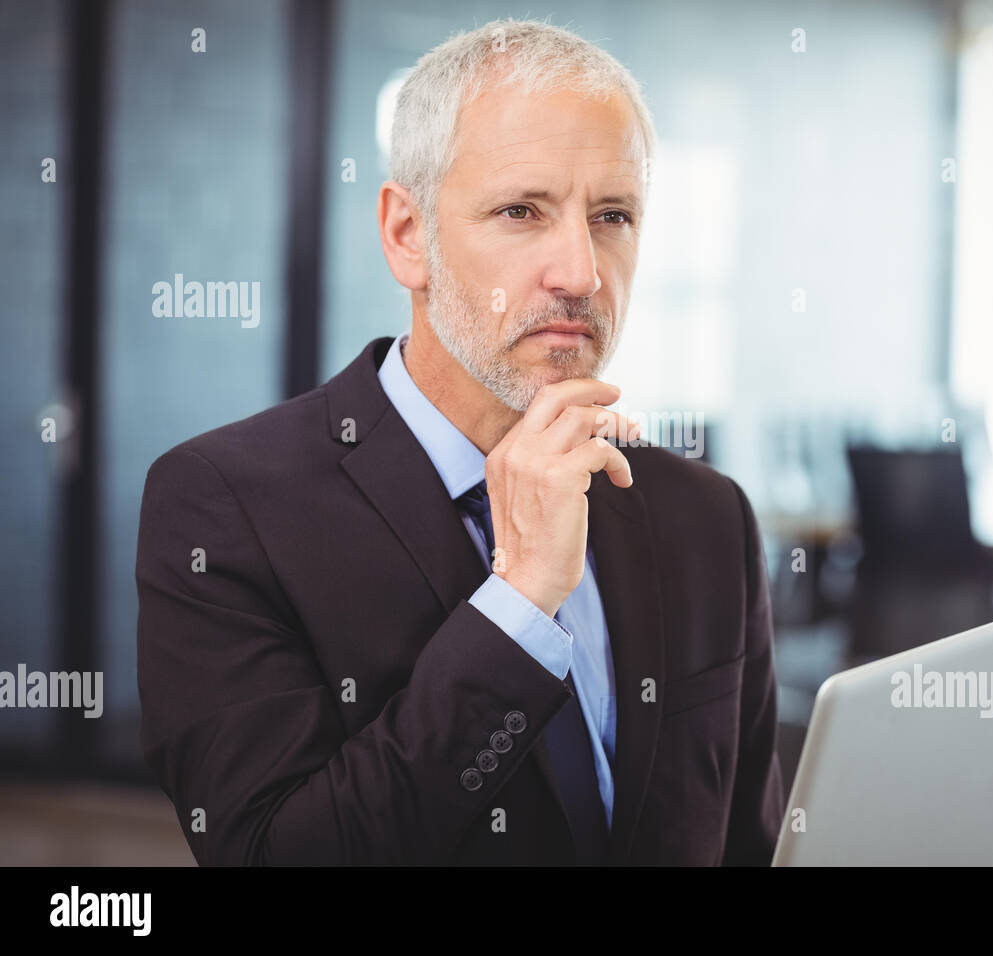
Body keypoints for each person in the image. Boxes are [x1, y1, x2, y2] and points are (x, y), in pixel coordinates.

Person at [136, 17, 783, 866]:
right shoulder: (224, 509)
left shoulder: (704, 518)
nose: (581, 273)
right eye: (522, 210)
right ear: (409, 237)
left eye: (614, 215)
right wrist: (516, 604)